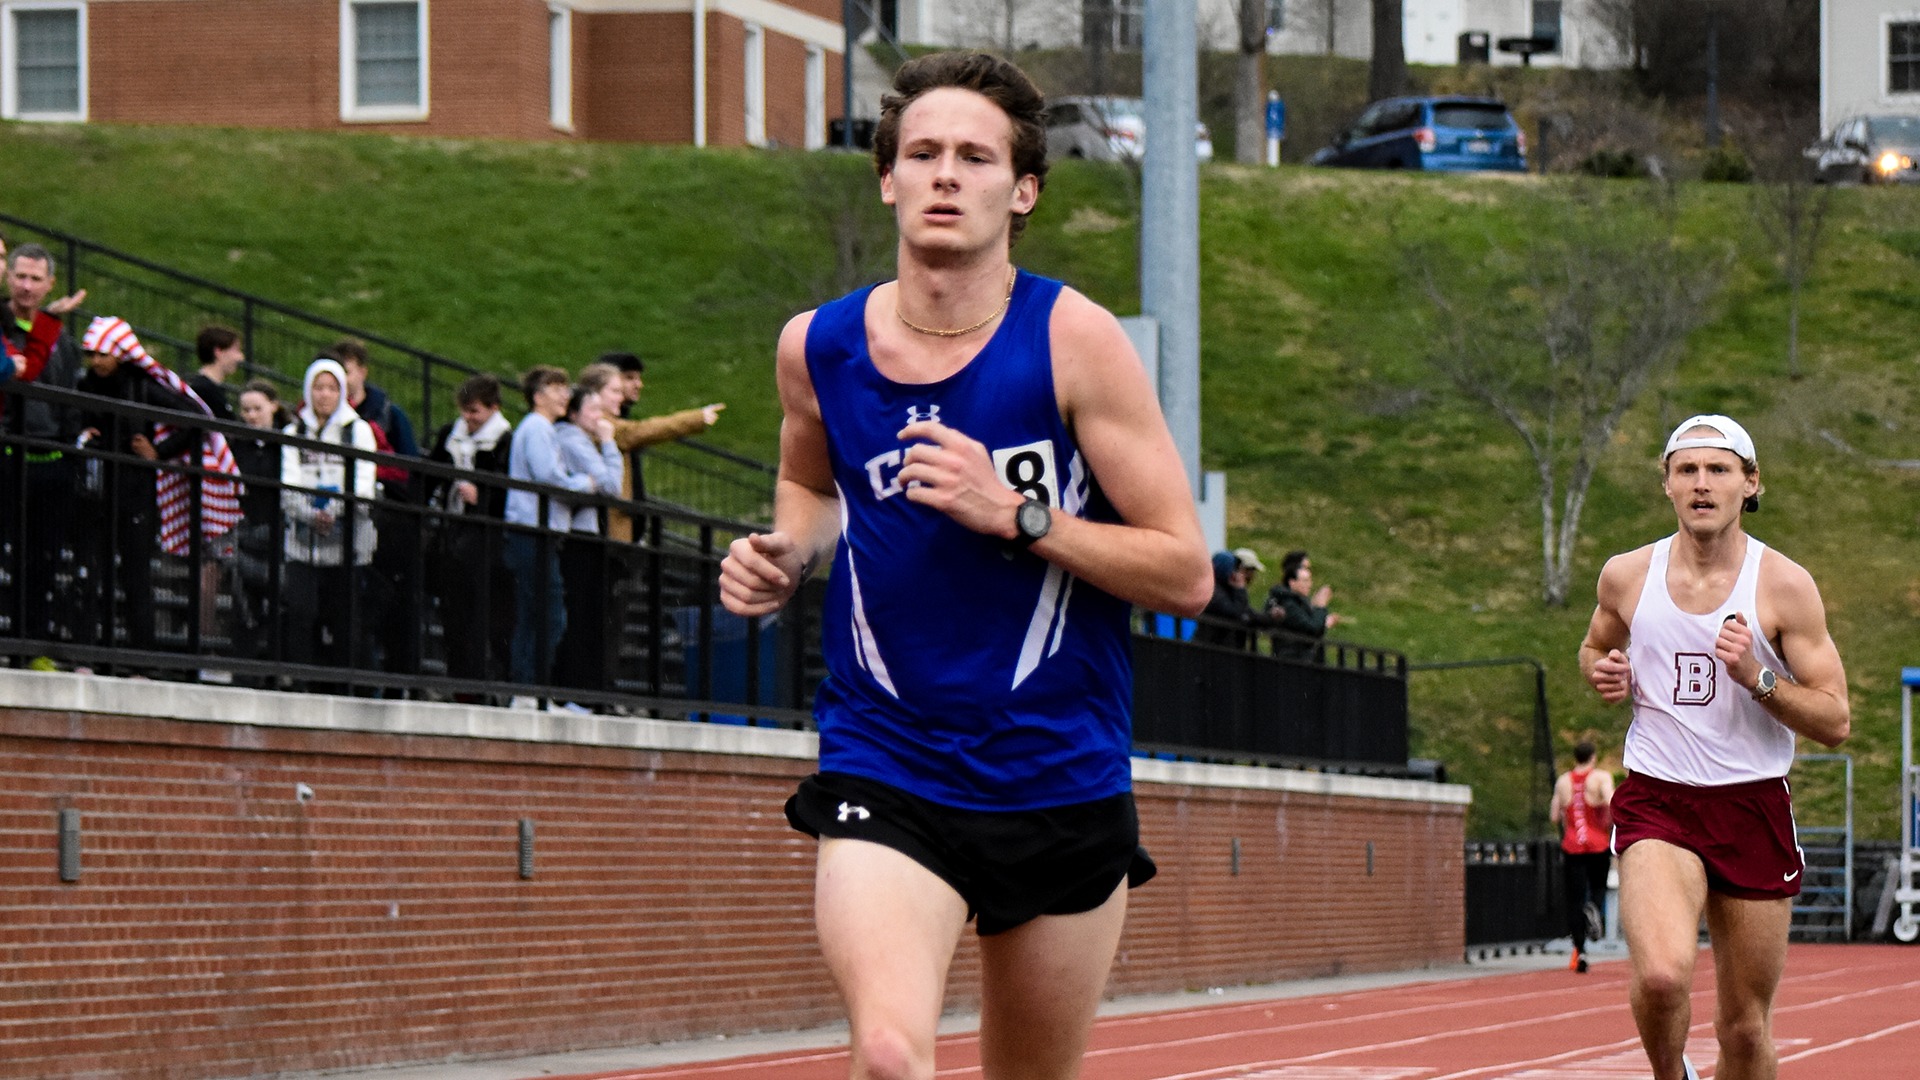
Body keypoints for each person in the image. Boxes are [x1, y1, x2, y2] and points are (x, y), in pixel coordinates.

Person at [717, 52, 1211, 1080]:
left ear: (1021, 190)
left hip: (1055, 770)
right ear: (887, 177)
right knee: (892, 1055)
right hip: (887, 755)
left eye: (976, 156)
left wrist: (1019, 514)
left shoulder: (1074, 341)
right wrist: (787, 554)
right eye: (923, 152)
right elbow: (811, 489)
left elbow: (1184, 572)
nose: (946, 173)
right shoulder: (817, 348)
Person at [1579, 414, 1849, 1080]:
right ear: (1667, 484)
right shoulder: (1626, 576)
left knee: (1744, 1031)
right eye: (1687, 470)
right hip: (1659, 800)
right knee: (1665, 977)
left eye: (1719, 470)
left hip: (1751, 803)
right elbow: (1595, 646)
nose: (1702, 485)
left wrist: (1759, 679)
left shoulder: (1783, 585)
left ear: (1749, 483)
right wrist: (1601, 670)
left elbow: (1835, 719)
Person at [1, 243, 86, 648]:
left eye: (36, 279)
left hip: (50, 461)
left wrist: (69, 454)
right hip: (5, 453)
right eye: (20, 276)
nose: (27, 286)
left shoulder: (63, 342)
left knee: (42, 561)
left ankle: (31, 644)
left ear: (50, 284)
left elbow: (70, 399)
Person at [503, 365, 604, 694]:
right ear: (537, 396)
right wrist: (584, 484)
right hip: (533, 531)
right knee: (547, 614)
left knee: (538, 613)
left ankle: (528, 688)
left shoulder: (539, 429)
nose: (565, 395)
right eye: (556, 388)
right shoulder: (537, 429)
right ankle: (528, 689)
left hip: (536, 532)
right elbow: (549, 476)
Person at [280, 358, 380, 676]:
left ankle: (343, 685)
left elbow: (364, 484)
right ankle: (300, 681)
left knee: (345, 620)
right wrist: (311, 514)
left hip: (347, 545)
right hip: (302, 541)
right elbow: (288, 483)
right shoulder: (293, 431)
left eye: (332, 388)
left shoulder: (359, 431)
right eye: (318, 387)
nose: (324, 395)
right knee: (299, 613)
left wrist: (333, 511)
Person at [332, 338, 422, 680]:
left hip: (385, 522)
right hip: (340, 522)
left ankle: (392, 678)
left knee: (386, 604)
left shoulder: (388, 414)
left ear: (362, 373)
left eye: (348, 371)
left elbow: (410, 468)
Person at [424, 373, 514, 689]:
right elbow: (430, 473)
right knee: (454, 611)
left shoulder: (505, 440)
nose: (468, 418)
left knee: (482, 612)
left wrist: (481, 498)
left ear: (493, 409)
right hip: (453, 529)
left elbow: (509, 490)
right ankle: (460, 681)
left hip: (486, 536)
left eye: (474, 411)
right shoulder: (452, 434)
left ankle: (482, 680)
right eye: (464, 410)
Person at [585, 354, 724, 541]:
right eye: (629, 378)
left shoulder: (613, 421)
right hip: (610, 529)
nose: (638, 385)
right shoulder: (601, 424)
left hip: (623, 525)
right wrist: (696, 418)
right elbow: (639, 431)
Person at [550, 384, 624, 698]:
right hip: (579, 537)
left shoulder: (578, 439)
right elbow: (610, 485)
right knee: (581, 612)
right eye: (592, 410)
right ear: (575, 413)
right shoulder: (573, 440)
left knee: (588, 612)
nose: (599, 417)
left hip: (586, 535)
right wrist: (609, 443)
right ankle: (576, 687)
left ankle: (582, 686)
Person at [1549, 739, 1615, 974]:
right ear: (1593, 757)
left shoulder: (1563, 781)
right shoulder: (1600, 778)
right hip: (1598, 843)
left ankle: (1580, 950)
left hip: (1573, 846)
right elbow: (1611, 801)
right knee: (1598, 887)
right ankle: (1595, 909)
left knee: (1574, 899)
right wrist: (1607, 820)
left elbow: (1554, 816)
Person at [1266, 549, 1343, 661]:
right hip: (1293, 660)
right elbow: (1311, 628)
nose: (1310, 585)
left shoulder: (1293, 600)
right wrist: (1320, 607)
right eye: (1305, 580)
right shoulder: (1287, 602)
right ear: (1292, 581)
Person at [1196, 547, 1270, 649]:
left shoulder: (1229, 592)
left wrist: (1270, 618)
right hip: (1212, 649)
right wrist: (1240, 589)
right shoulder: (1215, 592)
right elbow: (1237, 613)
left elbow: (1248, 612)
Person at [187, 325, 245, 423]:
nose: (240, 357)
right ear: (218, 352)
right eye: (236, 350)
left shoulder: (211, 388)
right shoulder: (203, 389)